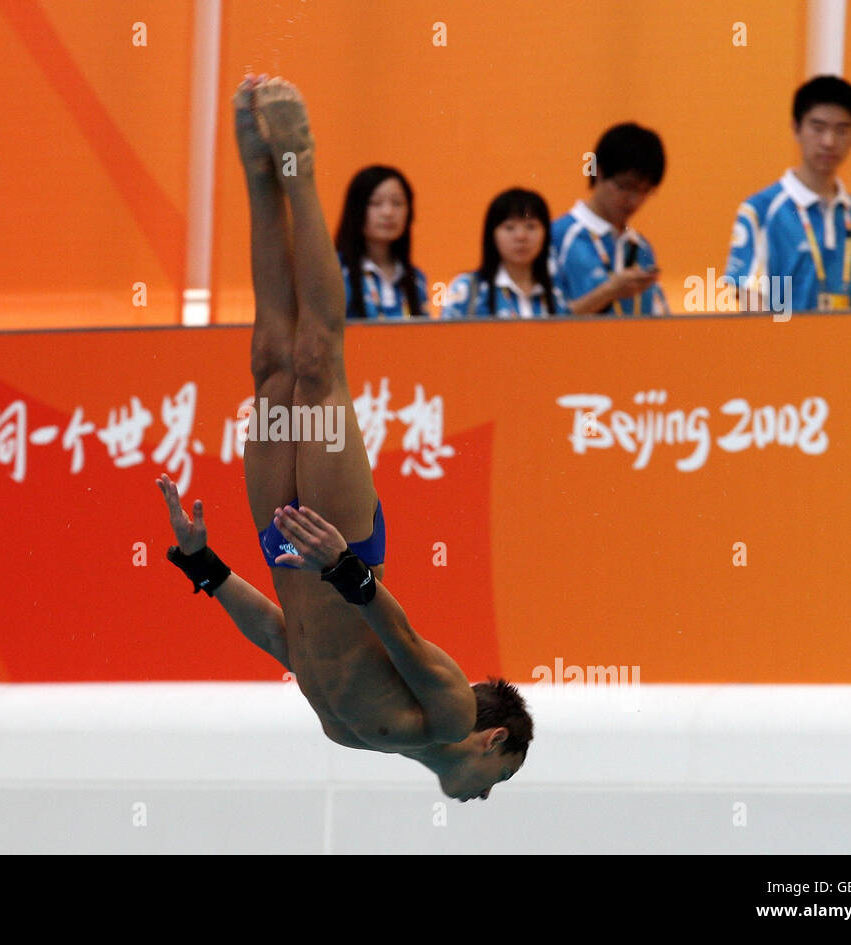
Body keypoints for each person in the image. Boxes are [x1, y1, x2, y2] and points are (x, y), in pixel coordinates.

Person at [156, 74, 532, 802]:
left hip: (280, 547)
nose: (483, 793)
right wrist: (344, 570)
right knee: (316, 361)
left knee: (270, 364)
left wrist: (202, 564)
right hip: (343, 547)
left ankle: (259, 172)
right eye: (498, 777)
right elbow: (404, 639)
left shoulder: (352, 731)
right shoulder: (448, 709)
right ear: (493, 738)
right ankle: (298, 162)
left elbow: (280, 637)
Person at [725, 75, 851, 313]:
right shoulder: (760, 211)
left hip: (847, 348)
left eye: (842, 130)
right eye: (818, 128)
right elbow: (749, 303)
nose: (829, 141)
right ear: (796, 129)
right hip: (782, 348)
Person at [553, 123, 668, 315]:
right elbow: (541, 322)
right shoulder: (558, 237)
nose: (634, 200)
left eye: (645, 191)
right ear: (597, 171)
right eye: (624, 187)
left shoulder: (641, 247)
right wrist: (609, 292)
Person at [442, 188, 569, 318]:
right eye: (509, 227)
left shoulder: (558, 292)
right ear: (492, 234)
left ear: (546, 233)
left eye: (531, 226)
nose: (521, 236)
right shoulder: (468, 289)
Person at [335, 165, 429, 319]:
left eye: (397, 203)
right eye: (375, 203)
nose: (388, 212)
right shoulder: (335, 272)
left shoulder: (416, 279)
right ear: (355, 209)